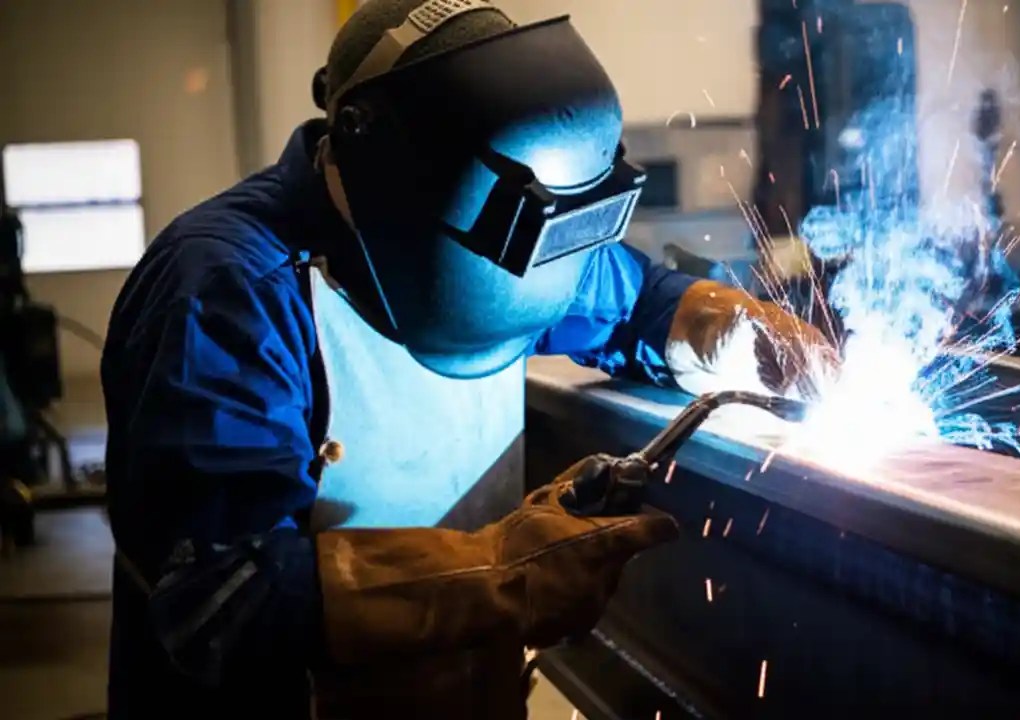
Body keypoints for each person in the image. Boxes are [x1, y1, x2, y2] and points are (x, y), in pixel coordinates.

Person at [100, 1, 835, 717]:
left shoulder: (509, 226)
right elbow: (216, 602)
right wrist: (498, 571)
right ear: (401, 178)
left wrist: (725, 326)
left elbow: (632, 300)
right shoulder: (224, 291)